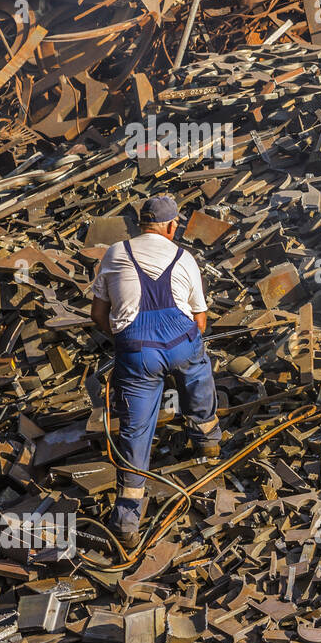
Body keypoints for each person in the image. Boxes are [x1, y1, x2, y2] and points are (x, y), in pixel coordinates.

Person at [90, 195, 222, 548]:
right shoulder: (184, 257)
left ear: (140, 225)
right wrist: (186, 346)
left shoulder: (115, 253)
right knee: (197, 375)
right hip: (181, 342)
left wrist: (124, 339)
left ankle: (127, 521)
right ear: (171, 226)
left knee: (135, 430)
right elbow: (200, 319)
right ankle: (208, 444)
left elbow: (98, 316)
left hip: (136, 355)